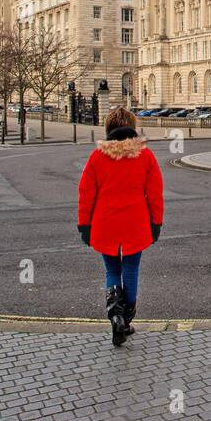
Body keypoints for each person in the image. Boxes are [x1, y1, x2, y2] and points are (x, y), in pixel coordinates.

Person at [77, 107, 163, 346]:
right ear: (132, 127)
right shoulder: (145, 155)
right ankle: (125, 319)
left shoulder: (97, 156)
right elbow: (155, 193)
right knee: (131, 269)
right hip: (136, 221)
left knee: (112, 271)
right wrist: (156, 222)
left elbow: (85, 193)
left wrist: (84, 224)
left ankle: (115, 315)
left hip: (105, 222)